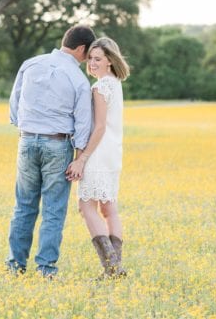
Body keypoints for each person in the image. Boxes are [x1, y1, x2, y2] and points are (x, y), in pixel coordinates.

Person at [6, 24, 96, 278]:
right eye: (88, 53)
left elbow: (14, 103)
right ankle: (46, 269)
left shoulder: (31, 64)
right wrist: (79, 159)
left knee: (23, 206)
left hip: (26, 140)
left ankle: (15, 266)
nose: (88, 59)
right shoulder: (78, 79)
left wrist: (27, 128)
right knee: (53, 210)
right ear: (81, 48)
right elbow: (83, 123)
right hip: (57, 144)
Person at [66, 37, 130, 278]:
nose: (92, 63)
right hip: (113, 153)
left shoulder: (100, 87)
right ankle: (115, 268)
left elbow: (99, 126)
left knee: (86, 207)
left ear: (110, 61)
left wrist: (82, 158)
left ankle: (112, 268)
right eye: (90, 59)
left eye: (98, 59)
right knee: (109, 209)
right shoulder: (115, 84)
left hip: (98, 153)